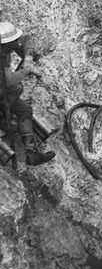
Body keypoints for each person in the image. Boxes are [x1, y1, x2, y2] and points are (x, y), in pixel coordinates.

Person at [0, 21, 55, 167]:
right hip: (2, 90)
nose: (17, 42)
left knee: (25, 110)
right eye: (13, 41)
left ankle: (32, 154)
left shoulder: (7, 44)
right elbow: (8, 80)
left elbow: (25, 39)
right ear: (5, 44)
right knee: (16, 87)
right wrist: (27, 70)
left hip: (4, 91)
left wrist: (28, 58)